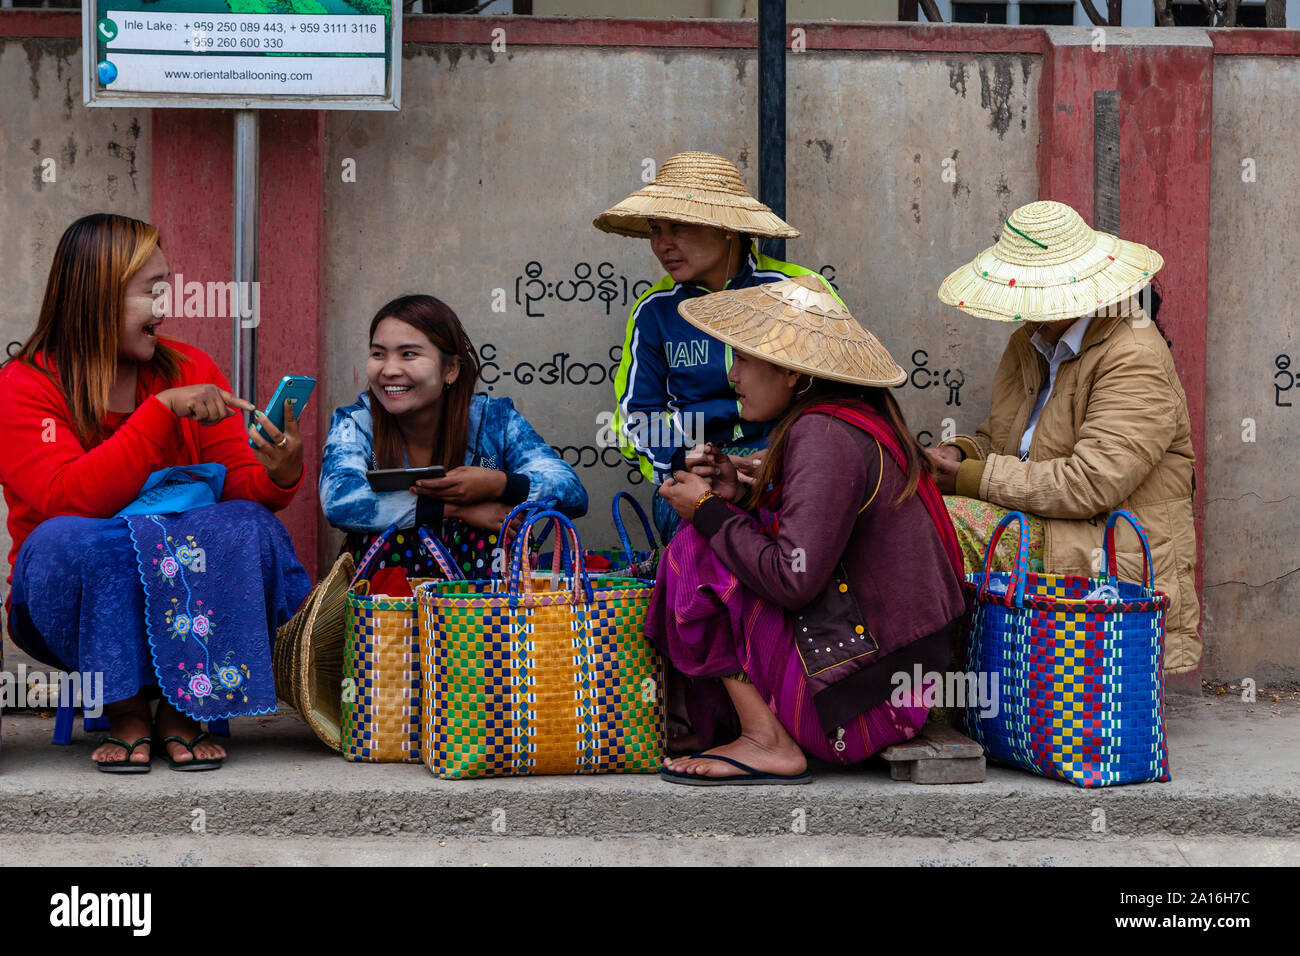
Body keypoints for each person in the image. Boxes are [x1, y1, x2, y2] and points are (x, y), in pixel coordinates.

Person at [0, 213, 311, 772]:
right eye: (153, 291)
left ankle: (182, 703)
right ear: (99, 294)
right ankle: (125, 710)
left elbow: (238, 485)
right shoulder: (25, 386)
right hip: (64, 602)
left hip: (184, 582)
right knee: (72, 539)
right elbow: (64, 500)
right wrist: (159, 413)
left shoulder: (190, 367)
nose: (166, 307)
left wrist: (280, 473)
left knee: (249, 524)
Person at [646, 274, 966, 784]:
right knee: (715, 534)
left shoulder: (824, 433)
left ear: (791, 372)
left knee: (693, 550)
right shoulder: (840, 420)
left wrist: (707, 509)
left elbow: (793, 580)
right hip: (890, 687)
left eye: (744, 359)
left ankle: (765, 739)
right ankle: (752, 727)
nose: (732, 377)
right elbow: (812, 536)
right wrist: (740, 495)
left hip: (865, 710)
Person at [928, 199, 1199, 676]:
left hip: (1104, 545)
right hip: (1043, 522)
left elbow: (1089, 484)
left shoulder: (1135, 353)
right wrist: (956, 455)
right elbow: (1002, 441)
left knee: (939, 525)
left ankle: (925, 697)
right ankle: (939, 693)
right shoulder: (1029, 342)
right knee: (908, 513)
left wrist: (970, 478)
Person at [596, 150, 844, 543]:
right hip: (697, 471)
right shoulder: (655, 312)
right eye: (656, 229)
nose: (663, 244)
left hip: (789, 463)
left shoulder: (798, 293)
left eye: (678, 226)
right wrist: (685, 459)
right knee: (698, 529)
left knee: (800, 529)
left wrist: (778, 459)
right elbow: (636, 419)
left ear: (727, 226)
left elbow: (840, 400)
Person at [319, 294, 587, 580]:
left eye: (408, 354)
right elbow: (339, 500)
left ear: (451, 369)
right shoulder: (357, 423)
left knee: (496, 526)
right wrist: (454, 507)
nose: (390, 369)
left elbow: (570, 491)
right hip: (387, 609)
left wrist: (498, 484)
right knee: (386, 530)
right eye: (378, 354)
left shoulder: (495, 420)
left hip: (479, 609)